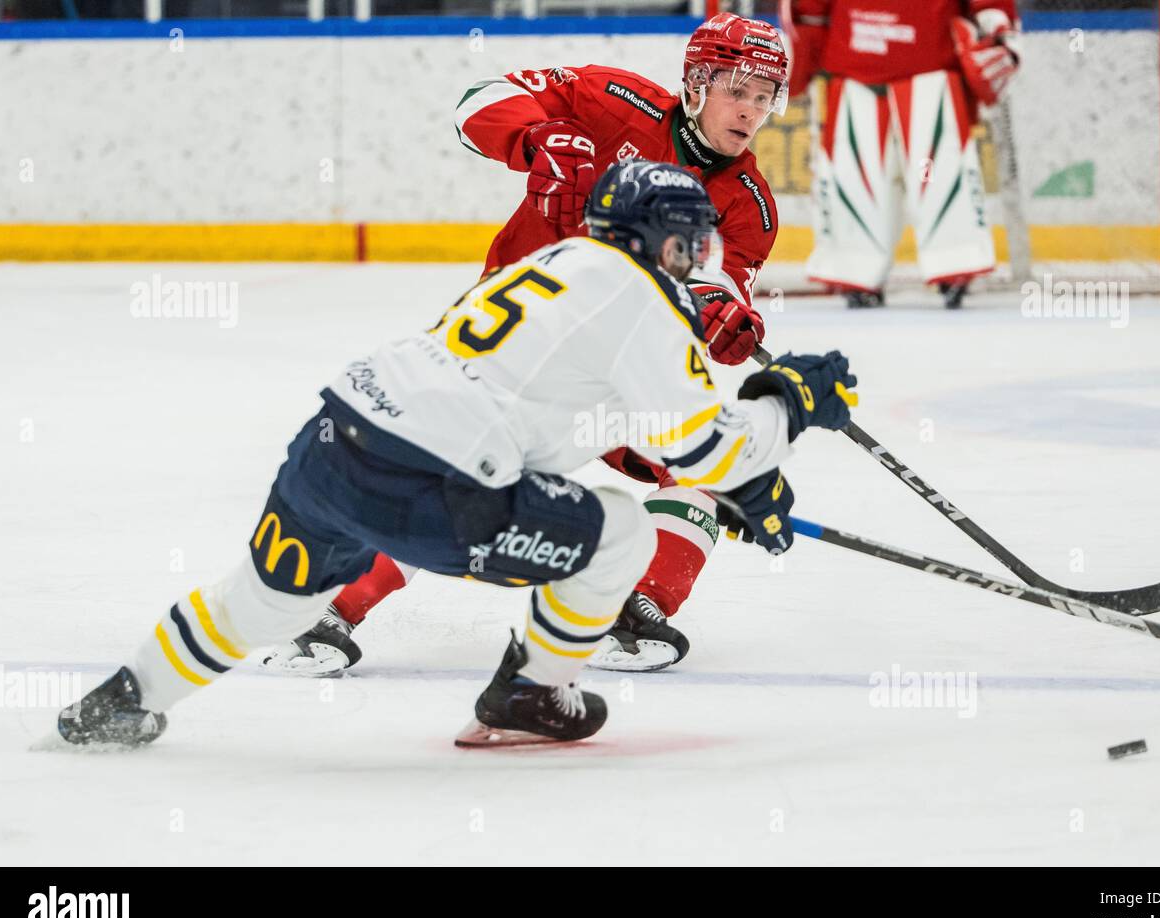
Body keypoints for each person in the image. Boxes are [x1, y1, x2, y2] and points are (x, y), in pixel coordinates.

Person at [56, 159, 858, 749]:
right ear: (662, 242)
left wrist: (750, 483)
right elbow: (702, 446)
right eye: (691, 244)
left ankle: (122, 698)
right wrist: (785, 406)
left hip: (334, 440)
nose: (698, 261)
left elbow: (598, 418)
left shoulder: (555, 264)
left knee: (263, 601)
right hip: (432, 484)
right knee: (621, 534)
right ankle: (530, 693)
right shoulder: (638, 295)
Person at [263, 13, 792, 677]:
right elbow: (474, 103)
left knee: (705, 465)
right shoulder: (611, 101)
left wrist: (720, 313)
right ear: (694, 85)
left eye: (764, 96)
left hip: (610, 374)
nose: (750, 110)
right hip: (510, 349)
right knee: (456, 468)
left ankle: (637, 608)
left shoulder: (749, 204)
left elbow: (718, 286)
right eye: (736, 90)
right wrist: (536, 136)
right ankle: (333, 607)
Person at [783, 0, 1021, 308]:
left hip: (930, 69)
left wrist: (995, 23)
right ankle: (856, 267)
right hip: (855, 70)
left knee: (939, 174)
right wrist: (802, 47)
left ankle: (953, 261)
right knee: (856, 178)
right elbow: (810, 9)